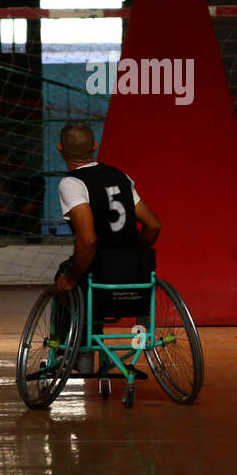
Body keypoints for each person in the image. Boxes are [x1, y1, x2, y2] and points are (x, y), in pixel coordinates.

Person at [53, 121, 161, 373]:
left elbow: (88, 239)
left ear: (60, 148)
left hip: (99, 276)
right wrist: (134, 252)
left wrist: (72, 278)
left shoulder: (72, 184)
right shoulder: (120, 177)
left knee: (65, 276)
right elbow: (154, 225)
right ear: (94, 146)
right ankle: (93, 346)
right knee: (90, 272)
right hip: (135, 274)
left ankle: (74, 351)